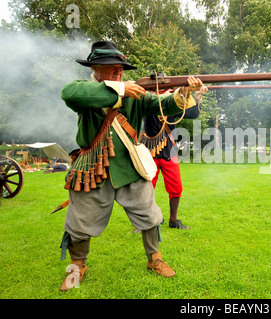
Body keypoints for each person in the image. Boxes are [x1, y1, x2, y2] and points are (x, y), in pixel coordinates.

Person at [58, 40, 205, 291]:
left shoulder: (135, 93)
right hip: (92, 167)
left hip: (130, 166)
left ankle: (154, 259)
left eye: (120, 68)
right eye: (111, 67)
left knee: (150, 216)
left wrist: (182, 93)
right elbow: (69, 93)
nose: (118, 71)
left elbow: (165, 105)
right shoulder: (84, 90)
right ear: (95, 68)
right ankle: (77, 266)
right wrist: (119, 88)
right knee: (79, 223)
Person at [140, 87, 207, 230]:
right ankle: (146, 221)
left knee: (176, 187)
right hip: (149, 150)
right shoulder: (146, 101)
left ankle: (173, 220)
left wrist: (197, 97)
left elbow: (192, 113)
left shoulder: (173, 102)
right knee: (146, 188)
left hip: (169, 150)